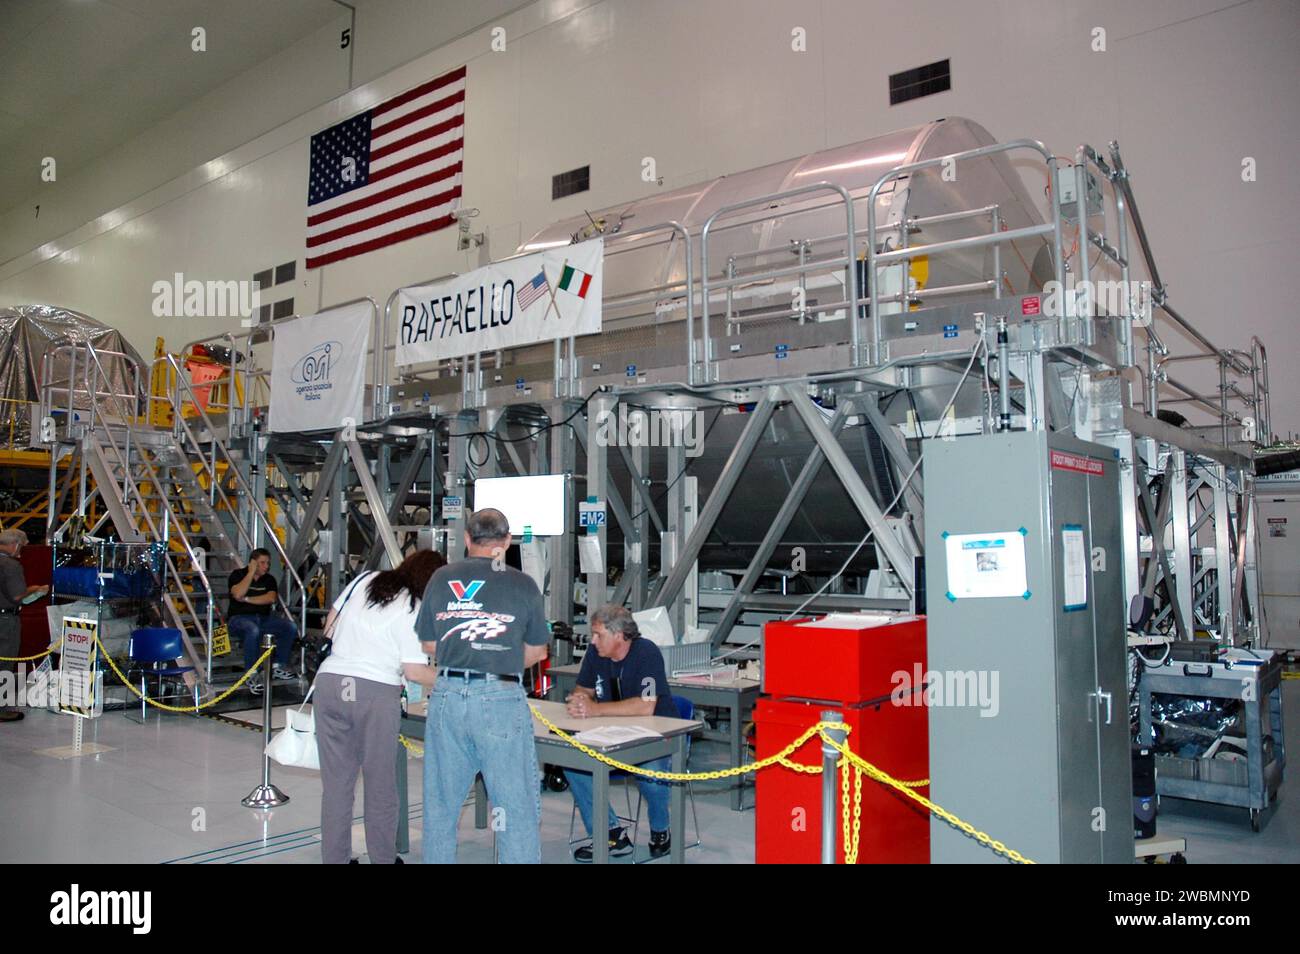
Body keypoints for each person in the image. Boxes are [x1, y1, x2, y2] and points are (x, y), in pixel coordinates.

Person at [416, 508, 549, 864]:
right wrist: (497, 660)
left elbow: (428, 645)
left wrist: (465, 651)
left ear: (467, 539)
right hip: (500, 698)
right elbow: (537, 652)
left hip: (446, 697)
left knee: (440, 809)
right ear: (506, 541)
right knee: (513, 809)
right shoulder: (522, 583)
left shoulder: (441, 578)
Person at [314, 550, 444, 864]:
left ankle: (335, 859)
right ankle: (383, 859)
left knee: (337, 784)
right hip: (374, 692)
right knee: (380, 784)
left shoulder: (364, 580)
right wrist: (457, 679)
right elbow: (414, 672)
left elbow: (329, 627)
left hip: (330, 683)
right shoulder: (415, 606)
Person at [565, 604, 676, 861]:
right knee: (572, 762)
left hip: (656, 736)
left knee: (652, 774)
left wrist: (596, 710)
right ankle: (611, 833)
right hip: (610, 735)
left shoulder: (646, 653)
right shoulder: (595, 655)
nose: (592, 641)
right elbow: (583, 689)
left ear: (619, 635)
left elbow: (647, 706)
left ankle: (660, 829)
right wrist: (579, 700)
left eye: (598, 634)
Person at [227, 548, 297, 693]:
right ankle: (251, 673)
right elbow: (237, 592)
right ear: (253, 563)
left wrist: (246, 599)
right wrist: (251, 572)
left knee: (290, 627)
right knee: (253, 630)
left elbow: (270, 598)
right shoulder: (237, 575)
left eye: (268, 563)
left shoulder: (269, 579)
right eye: (262, 563)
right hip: (238, 619)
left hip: (263, 619)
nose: (266, 566)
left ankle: (278, 665)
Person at [0, 529, 48, 723]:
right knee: (4, 662)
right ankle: (1, 708)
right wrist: (36, 589)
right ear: (15, 544)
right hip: (5, 621)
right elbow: (17, 595)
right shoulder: (10, 565)